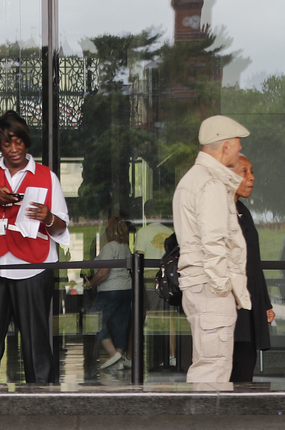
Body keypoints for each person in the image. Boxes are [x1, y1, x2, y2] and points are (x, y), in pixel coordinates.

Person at [0, 110, 70, 384]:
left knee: (36, 345)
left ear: (26, 141)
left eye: (18, 141)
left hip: (33, 268)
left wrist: (48, 217)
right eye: (6, 144)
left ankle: (41, 403)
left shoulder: (47, 176)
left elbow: (62, 229)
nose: (13, 149)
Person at [173, 114, 250, 383]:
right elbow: (214, 242)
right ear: (225, 145)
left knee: (209, 365)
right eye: (238, 143)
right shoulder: (210, 183)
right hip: (210, 286)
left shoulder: (195, 179)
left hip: (201, 284)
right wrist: (222, 286)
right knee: (213, 371)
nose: (240, 149)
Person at [231, 156, 274, 382]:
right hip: (228, 302)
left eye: (252, 171)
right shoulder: (219, 211)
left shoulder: (242, 210)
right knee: (233, 363)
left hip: (247, 302)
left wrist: (264, 303)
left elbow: (253, 263)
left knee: (246, 360)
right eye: (244, 171)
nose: (251, 178)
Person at [86, 216, 133, 372]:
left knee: (94, 319)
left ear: (110, 230)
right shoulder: (125, 246)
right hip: (126, 290)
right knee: (120, 324)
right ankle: (119, 359)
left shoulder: (109, 247)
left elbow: (104, 273)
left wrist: (91, 283)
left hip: (109, 290)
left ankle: (112, 354)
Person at [134, 199, 176, 367]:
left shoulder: (143, 233)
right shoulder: (170, 232)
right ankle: (172, 355)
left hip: (150, 280)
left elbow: (138, 258)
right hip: (170, 280)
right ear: (160, 214)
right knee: (171, 319)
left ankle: (154, 356)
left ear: (145, 215)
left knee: (152, 318)